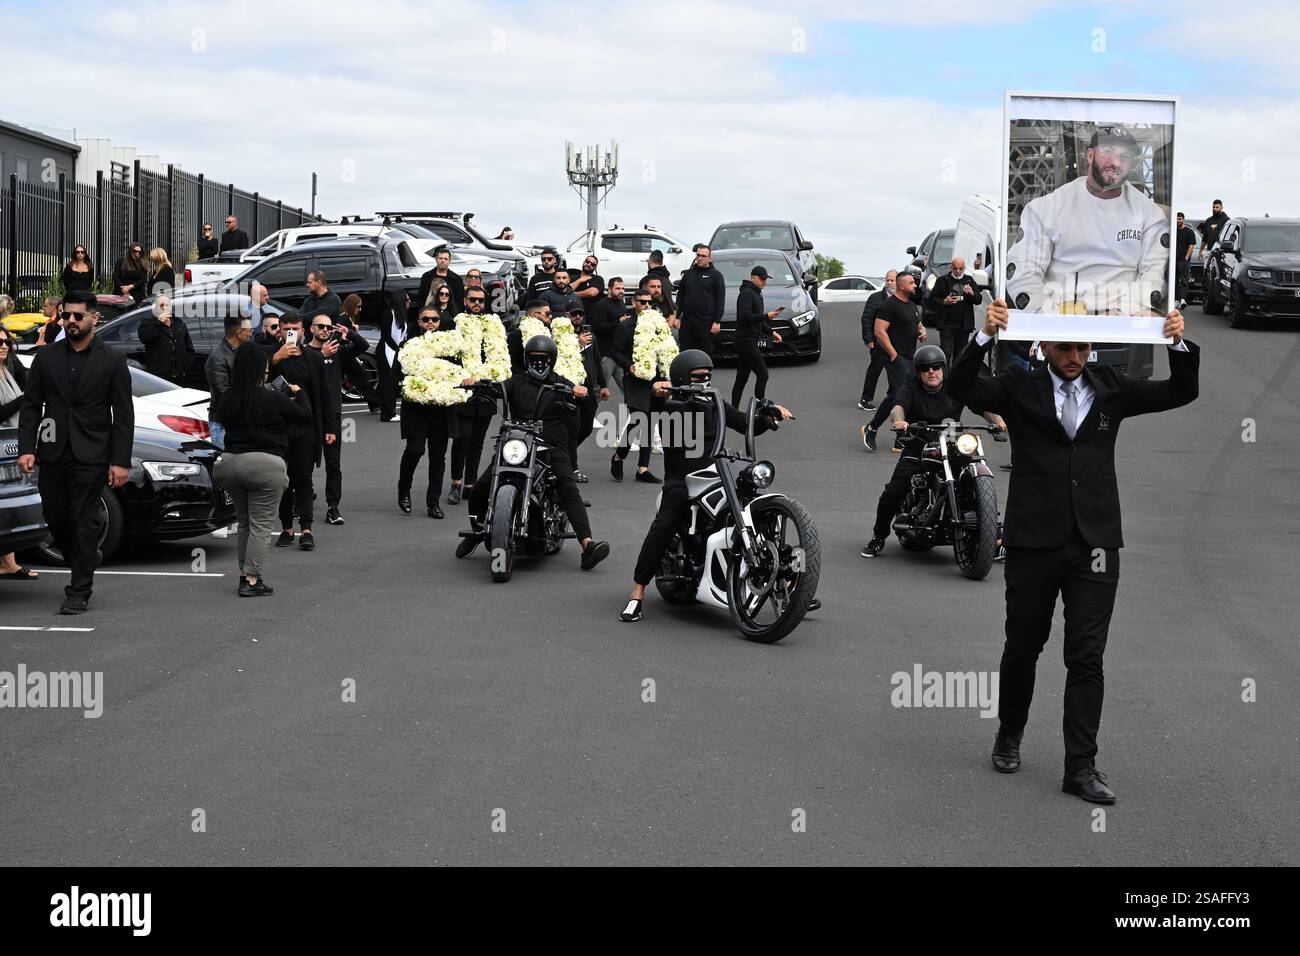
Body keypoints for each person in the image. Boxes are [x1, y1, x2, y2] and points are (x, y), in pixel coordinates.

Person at [947, 297, 1199, 804]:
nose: (1076, 356)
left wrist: (1179, 344)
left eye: (1083, 346)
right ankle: (1009, 734)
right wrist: (983, 337)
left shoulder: (1111, 387)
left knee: (1086, 657)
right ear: (1044, 344)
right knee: (1023, 646)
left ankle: (1080, 767)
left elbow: (1180, 391)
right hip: (1032, 540)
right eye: (1066, 346)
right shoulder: (1020, 385)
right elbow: (961, 388)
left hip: (1096, 544)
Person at [619, 350, 793, 623]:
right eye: (698, 376)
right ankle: (637, 593)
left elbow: (745, 422)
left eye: (708, 376)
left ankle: (791, 586)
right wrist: (657, 393)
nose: (705, 380)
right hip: (682, 479)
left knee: (761, 511)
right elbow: (652, 412)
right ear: (681, 378)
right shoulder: (671, 407)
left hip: (719, 474)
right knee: (664, 524)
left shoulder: (716, 404)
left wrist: (769, 417)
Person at [17, 290, 134, 615]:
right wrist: (27, 448)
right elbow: (30, 406)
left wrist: (120, 461)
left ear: (94, 319)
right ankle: (84, 558)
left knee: (84, 521)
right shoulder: (47, 357)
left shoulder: (112, 360)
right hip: (52, 451)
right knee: (55, 518)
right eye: (66, 315)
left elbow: (124, 414)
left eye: (77, 316)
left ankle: (78, 590)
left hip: (92, 454)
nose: (70, 321)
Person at [455, 335, 610, 570]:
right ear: (526, 359)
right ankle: (477, 530)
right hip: (517, 444)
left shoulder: (561, 383)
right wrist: (476, 382)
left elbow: (581, 395)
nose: (538, 364)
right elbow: (498, 389)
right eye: (534, 359)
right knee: (481, 487)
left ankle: (587, 545)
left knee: (567, 486)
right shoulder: (516, 382)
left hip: (551, 448)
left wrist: (580, 391)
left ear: (552, 361)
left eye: (543, 359)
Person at [860, 344, 1006, 557]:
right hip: (919, 446)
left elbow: (982, 406)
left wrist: (998, 420)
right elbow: (898, 407)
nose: (932, 372)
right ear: (919, 372)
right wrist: (900, 422)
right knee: (894, 491)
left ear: (943, 370)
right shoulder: (910, 389)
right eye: (926, 368)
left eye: (936, 367)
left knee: (976, 477)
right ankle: (878, 537)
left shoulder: (954, 388)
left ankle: (989, 538)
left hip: (953, 447)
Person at [1006, 127, 1169, 316]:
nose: (1115, 162)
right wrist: (1052, 320)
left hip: (1125, 325)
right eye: (1107, 152)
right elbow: (1023, 272)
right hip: (1061, 326)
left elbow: (1154, 275)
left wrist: (1119, 316)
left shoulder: (1150, 214)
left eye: (1124, 157)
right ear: (1090, 155)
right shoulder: (1047, 207)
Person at [213, 343, 309, 597]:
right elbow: (304, 417)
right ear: (260, 369)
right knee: (261, 525)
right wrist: (299, 393)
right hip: (264, 464)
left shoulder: (229, 399)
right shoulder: (273, 397)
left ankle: (245, 574)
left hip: (229, 463)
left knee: (244, 523)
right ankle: (252, 580)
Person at [269, 313, 335, 551]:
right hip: (278, 428)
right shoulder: (268, 354)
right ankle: (287, 528)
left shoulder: (314, 358)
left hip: (306, 427)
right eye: (285, 328)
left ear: (303, 331)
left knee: (304, 479)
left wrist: (329, 427)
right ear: (279, 332)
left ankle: (306, 529)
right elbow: (257, 380)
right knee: (282, 480)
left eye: (295, 329)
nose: (290, 333)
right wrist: (275, 358)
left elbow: (324, 394)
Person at [397, 307, 456, 518]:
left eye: (434, 319)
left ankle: (433, 503)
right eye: (426, 319)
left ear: (440, 322)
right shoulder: (408, 345)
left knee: (438, 457)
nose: (430, 322)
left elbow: (458, 371)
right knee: (415, 450)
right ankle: (404, 489)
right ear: (419, 322)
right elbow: (398, 373)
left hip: (441, 408)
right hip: (416, 408)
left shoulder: (448, 347)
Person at [446, 288, 503, 504]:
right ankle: (455, 482)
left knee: (478, 441)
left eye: (481, 300)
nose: (477, 303)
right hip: (465, 390)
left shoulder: (493, 324)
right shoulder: (456, 324)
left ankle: (470, 484)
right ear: (465, 301)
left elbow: (500, 355)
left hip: (486, 390)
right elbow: (449, 358)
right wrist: (463, 376)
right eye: (473, 300)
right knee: (462, 438)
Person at [862, 271, 928, 452]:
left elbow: (917, 325)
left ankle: (872, 428)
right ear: (901, 285)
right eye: (911, 283)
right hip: (895, 358)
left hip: (909, 358)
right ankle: (900, 437)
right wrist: (893, 355)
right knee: (902, 394)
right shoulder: (890, 305)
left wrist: (922, 332)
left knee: (895, 396)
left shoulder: (912, 306)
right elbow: (879, 331)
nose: (915, 285)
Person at [609, 291, 668, 483]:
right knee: (638, 418)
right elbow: (616, 351)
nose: (647, 305)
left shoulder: (657, 324)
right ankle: (619, 456)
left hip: (654, 378)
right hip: (634, 378)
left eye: (650, 302)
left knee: (650, 421)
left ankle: (643, 469)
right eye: (642, 302)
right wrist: (629, 366)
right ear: (634, 303)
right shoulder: (626, 326)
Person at [0, 327, 37, 580]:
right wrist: (22, 400)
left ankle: (8, 563)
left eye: (6, 342)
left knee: (10, 498)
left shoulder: (6, 370)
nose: (4, 346)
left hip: (9, 444)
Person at [305, 312, 348, 525]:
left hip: (332, 414)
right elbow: (302, 376)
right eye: (320, 326)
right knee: (304, 461)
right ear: (311, 329)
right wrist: (320, 357)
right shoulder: (304, 352)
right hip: (309, 414)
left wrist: (347, 334)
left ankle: (333, 507)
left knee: (333, 463)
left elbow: (359, 348)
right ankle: (302, 500)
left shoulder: (337, 350)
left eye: (328, 327)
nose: (324, 330)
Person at [731, 265, 783, 407]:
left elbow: (757, 321)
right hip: (745, 340)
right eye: (762, 279)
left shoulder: (757, 293)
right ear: (753, 278)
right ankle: (760, 409)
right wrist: (766, 315)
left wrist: (771, 332)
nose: (765, 282)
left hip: (748, 340)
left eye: (766, 279)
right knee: (763, 374)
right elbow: (744, 317)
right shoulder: (747, 293)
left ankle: (733, 411)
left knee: (741, 379)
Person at [569, 305, 609, 481]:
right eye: (574, 314)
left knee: (585, 428)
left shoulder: (591, 337)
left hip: (590, 389)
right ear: (566, 315)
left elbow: (597, 360)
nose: (578, 317)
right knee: (572, 428)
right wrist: (577, 344)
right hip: (572, 389)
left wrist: (603, 384)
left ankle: (562, 454)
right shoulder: (564, 335)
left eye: (580, 314)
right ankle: (572, 466)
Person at [205, 312, 253, 448]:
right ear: (239, 332)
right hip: (224, 425)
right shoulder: (218, 358)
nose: (251, 334)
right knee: (227, 466)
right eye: (249, 330)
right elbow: (224, 395)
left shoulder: (241, 352)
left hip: (240, 422)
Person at [676, 244, 725, 353]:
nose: (700, 258)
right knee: (686, 354)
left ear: (709, 258)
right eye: (698, 255)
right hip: (687, 323)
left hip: (706, 323)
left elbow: (720, 300)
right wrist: (677, 317)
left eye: (703, 256)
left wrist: (717, 321)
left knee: (704, 355)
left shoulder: (716, 276)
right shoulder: (688, 274)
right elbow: (680, 297)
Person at [858, 271, 896, 410]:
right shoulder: (875, 298)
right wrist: (868, 339)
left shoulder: (901, 298)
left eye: (892, 280)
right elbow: (867, 319)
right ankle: (865, 400)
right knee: (874, 371)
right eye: (887, 280)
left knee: (897, 373)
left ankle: (896, 400)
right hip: (878, 343)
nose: (889, 283)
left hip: (896, 344)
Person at [928, 256, 978, 363]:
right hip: (947, 324)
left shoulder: (969, 280)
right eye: (955, 268)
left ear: (964, 268)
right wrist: (944, 301)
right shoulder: (942, 280)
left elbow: (978, 300)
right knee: (946, 353)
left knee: (960, 355)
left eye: (961, 268)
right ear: (951, 267)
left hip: (964, 326)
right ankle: (944, 377)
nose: (958, 271)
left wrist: (972, 293)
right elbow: (931, 300)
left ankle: (955, 379)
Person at [337, 293, 380, 413]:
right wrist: (352, 332)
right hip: (345, 353)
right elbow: (339, 335)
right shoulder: (343, 318)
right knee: (361, 377)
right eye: (358, 306)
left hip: (347, 353)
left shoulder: (348, 317)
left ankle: (375, 404)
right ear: (351, 306)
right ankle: (375, 404)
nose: (360, 309)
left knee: (360, 378)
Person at [137, 294, 195, 383]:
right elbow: (144, 337)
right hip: (159, 378)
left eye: (167, 305)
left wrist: (185, 367)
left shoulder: (179, 323)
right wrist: (159, 322)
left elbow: (189, 349)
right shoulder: (148, 323)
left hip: (179, 377)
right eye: (161, 305)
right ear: (156, 308)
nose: (164, 308)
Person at [374, 291, 408, 422]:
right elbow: (387, 336)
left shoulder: (400, 315)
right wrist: (397, 348)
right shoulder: (390, 314)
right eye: (406, 300)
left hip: (394, 350)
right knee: (388, 382)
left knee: (392, 381)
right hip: (387, 350)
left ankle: (390, 411)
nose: (409, 302)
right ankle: (388, 413)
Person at [591, 277, 628, 393]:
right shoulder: (602, 305)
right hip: (606, 355)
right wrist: (619, 322)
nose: (621, 291)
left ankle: (634, 411)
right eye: (617, 288)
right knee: (599, 390)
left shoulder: (621, 303)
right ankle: (587, 410)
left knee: (628, 391)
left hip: (619, 355)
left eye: (623, 288)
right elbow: (597, 327)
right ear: (609, 289)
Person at [416, 246, 464, 315]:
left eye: (445, 259)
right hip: (429, 315)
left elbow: (459, 302)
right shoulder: (426, 277)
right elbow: (421, 298)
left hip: (449, 316)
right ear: (436, 259)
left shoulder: (456, 279)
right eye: (441, 258)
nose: (443, 261)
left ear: (449, 261)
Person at [570, 254, 605, 320]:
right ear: (583, 262)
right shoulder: (574, 278)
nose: (589, 264)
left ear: (595, 268)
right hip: (573, 315)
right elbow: (567, 290)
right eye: (587, 262)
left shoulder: (598, 279)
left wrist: (573, 294)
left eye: (592, 264)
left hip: (591, 316)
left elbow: (592, 293)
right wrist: (579, 280)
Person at [1174, 212, 1197, 308]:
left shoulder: (1189, 232)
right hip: (1173, 261)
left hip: (1184, 261)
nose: (1177, 220)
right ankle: (1176, 300)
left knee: (1184, 281)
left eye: (1179, 219)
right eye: (1176, 219)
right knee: (1174, 281)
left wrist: (1186, 258)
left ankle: (1183, 300)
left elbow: (1191, 246)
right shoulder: (1173, 231)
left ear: (1183, 220)